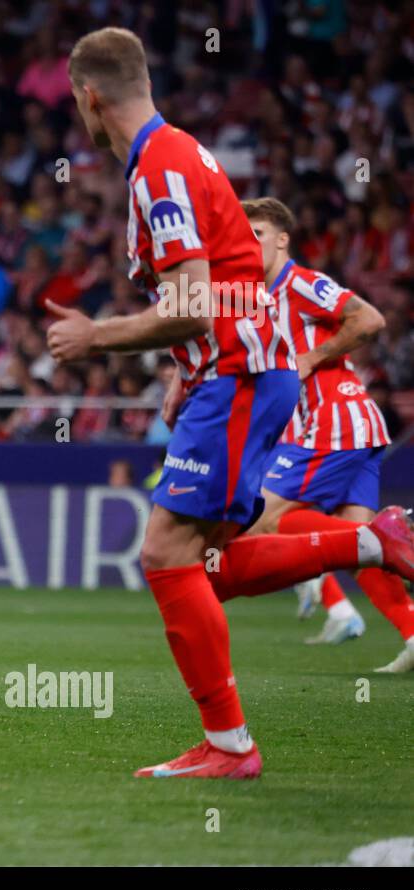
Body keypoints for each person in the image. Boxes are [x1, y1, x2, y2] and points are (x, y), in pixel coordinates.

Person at [45, 27, 414, 779]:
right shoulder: (177, 155)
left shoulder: (160, 169)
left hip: (242, 375)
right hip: (236, 369)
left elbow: (187, 303)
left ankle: (231, 746)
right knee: (203, 565)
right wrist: (186, 366)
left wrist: (97, 336)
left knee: (164, 554)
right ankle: (373, 543)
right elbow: (219, 286)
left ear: (89, 97)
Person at [240, 197, 414, 673]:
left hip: (331, 423)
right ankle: (413, 632)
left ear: (281, 240)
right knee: (361, 549)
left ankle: (355, 576)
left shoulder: (301, 283)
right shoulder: (259, 297)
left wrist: (312, 360)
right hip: (349, 425)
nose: (248, 243)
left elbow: (370, 319)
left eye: (257, 234)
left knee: (262, 519)